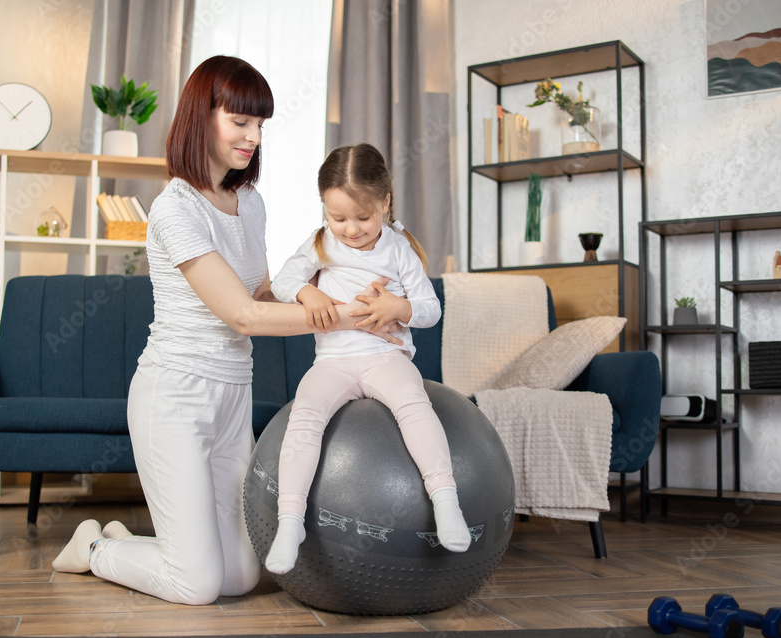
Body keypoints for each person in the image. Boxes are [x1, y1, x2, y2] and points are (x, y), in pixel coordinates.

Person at [52, 56, 395, 604]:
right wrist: (350, 314)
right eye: (241, 122)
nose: (253, 137)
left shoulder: (249, 203)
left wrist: (310, 290)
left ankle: (135, 546)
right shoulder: (174, 209)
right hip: (174, 397)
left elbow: (261, 290)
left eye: (260, 125)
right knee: (197, 586)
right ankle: (96, 548)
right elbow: (242, 315)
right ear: (201, 116)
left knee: (243, 576)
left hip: (232, 399)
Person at [263, 143, 471, 576]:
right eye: (338, 218)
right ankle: (289, 521)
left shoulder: (398, 249)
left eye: (364, 217)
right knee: (305, 418)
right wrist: (309, 291)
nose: (351, 229)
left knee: (414, 405)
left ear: (386, 203)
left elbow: (431, 308)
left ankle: (445, 499)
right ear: (324, 208)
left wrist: (398, 308)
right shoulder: (320, 243)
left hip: (384, 357)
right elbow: (282, 279)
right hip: (333, 364)